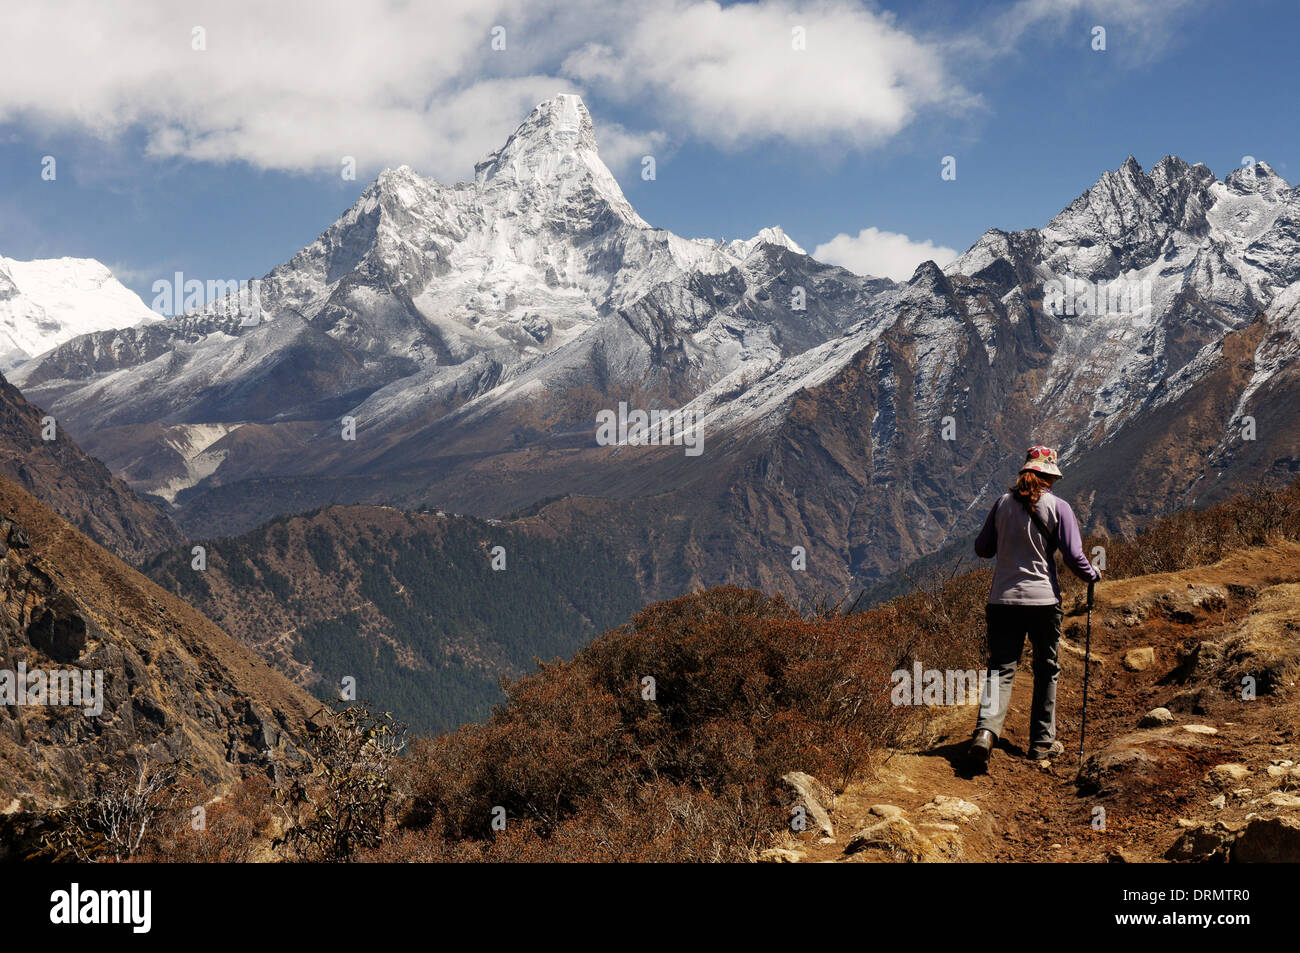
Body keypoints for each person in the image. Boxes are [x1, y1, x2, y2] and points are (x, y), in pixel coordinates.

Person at [967, 445, 1100, 769]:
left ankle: (985, 733)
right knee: (1046, 669)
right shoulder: (1059, 507)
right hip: (1043, 601)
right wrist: (1092, 575)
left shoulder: (1001, 504)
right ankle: (1041, 744)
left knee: (1001, 668)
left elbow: (982, 549)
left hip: (1003, 601)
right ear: (1049, 477)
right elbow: (1072, 554)